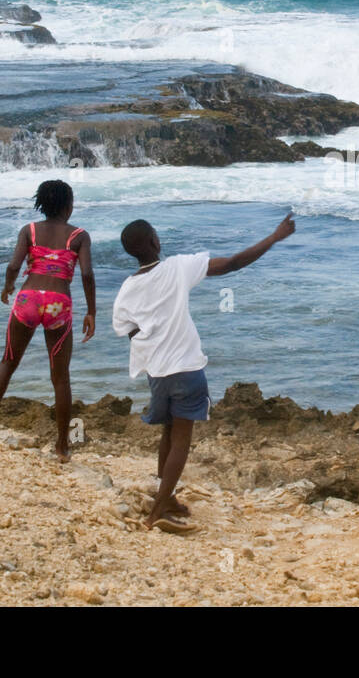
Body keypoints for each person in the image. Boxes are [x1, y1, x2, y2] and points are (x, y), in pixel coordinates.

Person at [112, 213, 295, 534]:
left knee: (168, 432)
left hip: (156, 373)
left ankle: (165, 498)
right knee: (182, 439)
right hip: (186, 368)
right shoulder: (178, 267)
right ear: (156, 242)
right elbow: (233, 263)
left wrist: (155, 343)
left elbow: (127, 329)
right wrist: (274, 237)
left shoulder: (128, 287)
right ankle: (157, 511)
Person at [0, 179, 96, 461]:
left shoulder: (28, 230)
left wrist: (8, 287)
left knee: (8, 362)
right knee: (60, 377)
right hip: (58, 303)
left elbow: (14, 266)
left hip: (28, 299)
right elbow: (87, 275)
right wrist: (92, 311)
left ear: (42, 204)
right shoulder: (79, 235)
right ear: (68, 206)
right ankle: (62, 448)